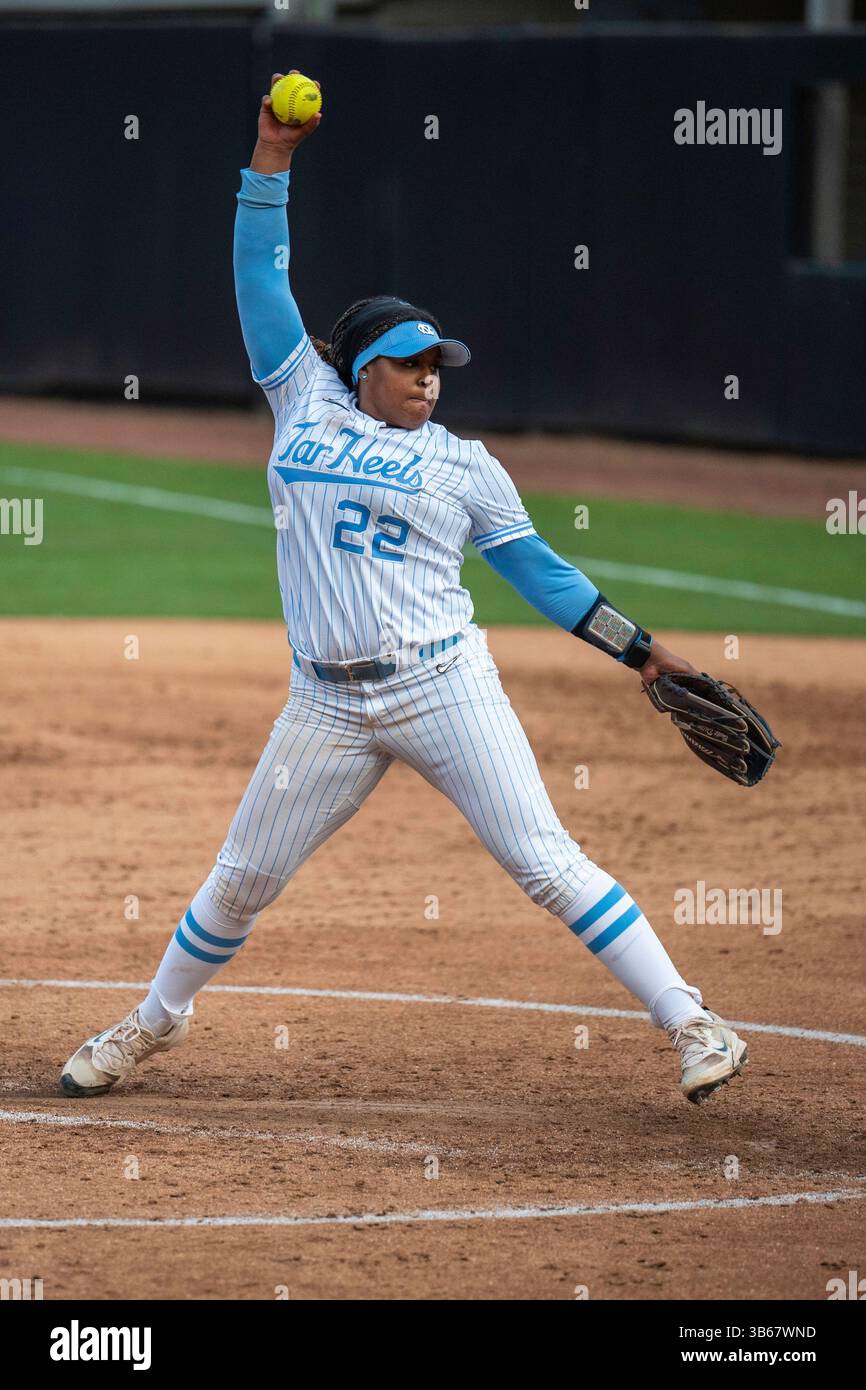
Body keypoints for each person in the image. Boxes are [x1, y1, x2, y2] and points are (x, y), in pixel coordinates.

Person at [60, 72, 747, 1107]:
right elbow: (258, 273)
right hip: (324, 702)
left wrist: (643, 649)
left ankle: (692, 1022)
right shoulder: (301, 398)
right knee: (242, 879)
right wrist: (273, 159)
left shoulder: (465, 463)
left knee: (543, 858)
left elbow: (539, 575)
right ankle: (150, 1024)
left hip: (443, 686)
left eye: (438, 362)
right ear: (358, 367)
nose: (429, 375)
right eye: (408, 360)